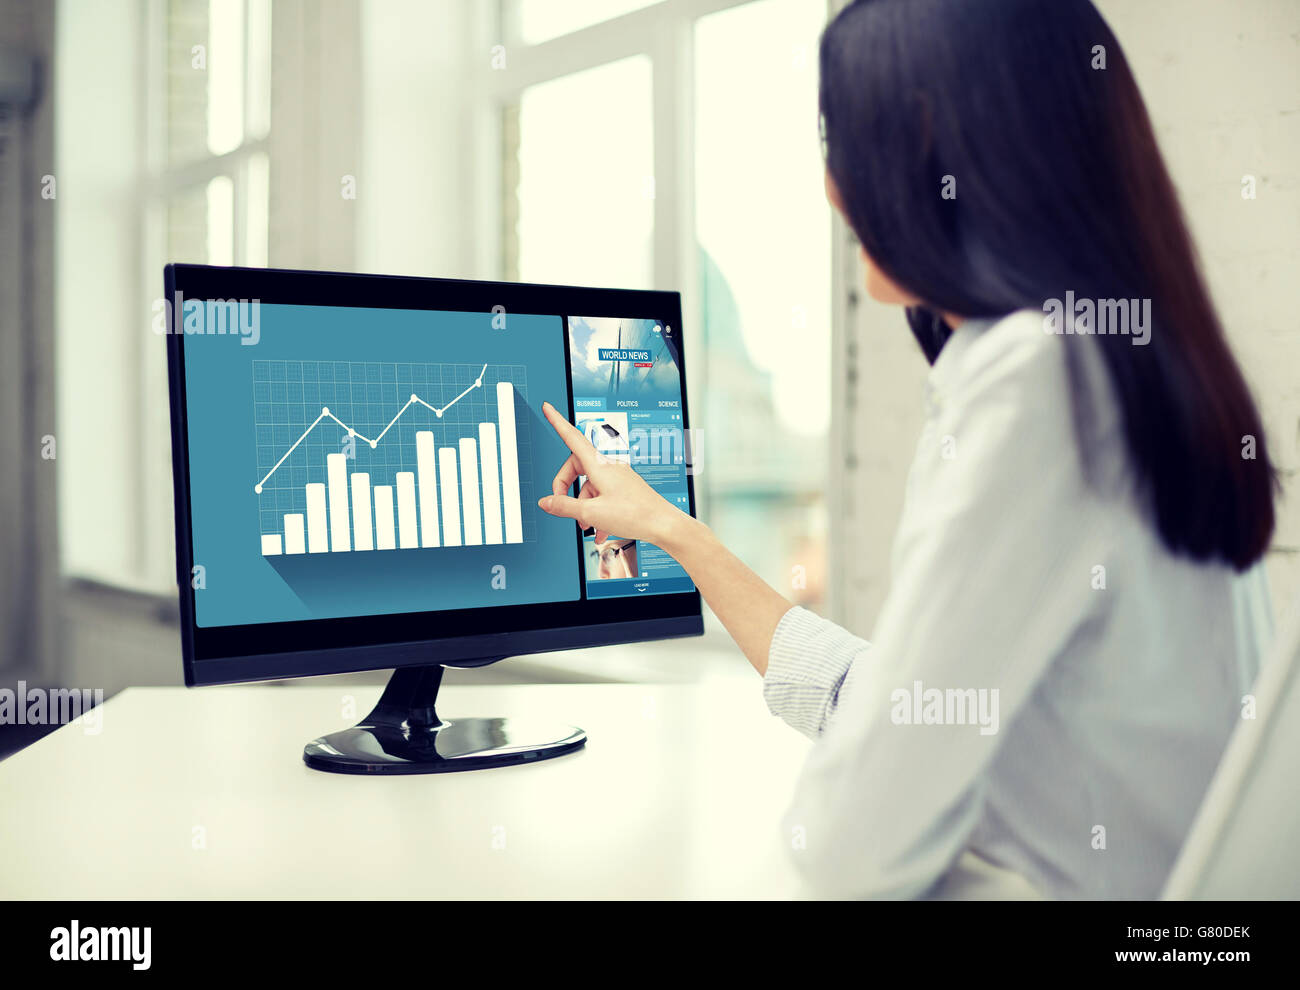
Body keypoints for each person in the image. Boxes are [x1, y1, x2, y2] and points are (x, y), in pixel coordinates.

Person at [538, 0, 1277, 899]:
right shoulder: (1123, 354)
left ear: (931, 146)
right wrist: (676, 533)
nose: (831, 186)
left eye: (840, 138)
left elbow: (852, 849)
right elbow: (900, 701)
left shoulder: (1032, 384)